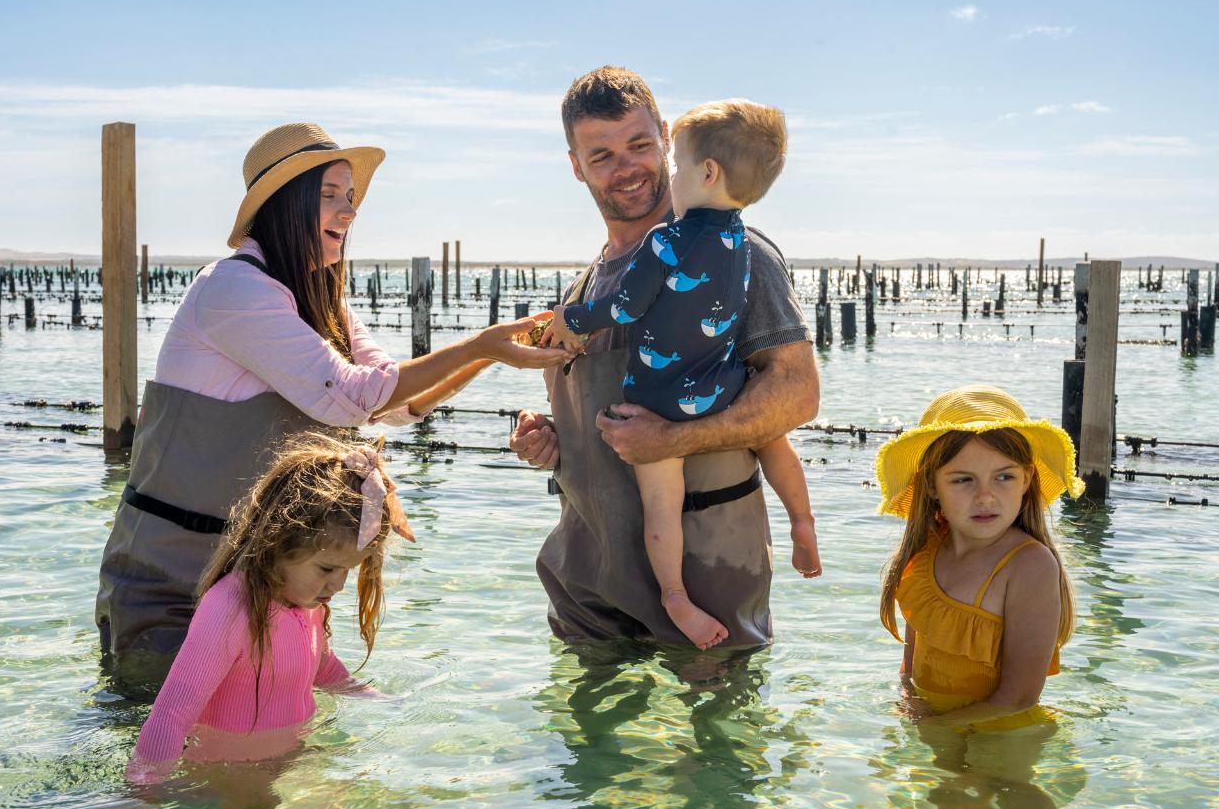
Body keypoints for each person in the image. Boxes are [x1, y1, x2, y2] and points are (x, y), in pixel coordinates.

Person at [98, 122, 565, 691]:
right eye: (329, 195)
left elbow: (397, 401)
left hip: (270, 585)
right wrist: (477, 344)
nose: (348, 213)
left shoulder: (323, 299)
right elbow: (350, 398)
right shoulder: (232, 289)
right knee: (167, 757)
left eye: (351, 199)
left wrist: (493, 354)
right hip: (176, 581)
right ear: (282, 205)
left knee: (275, 751)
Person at [511, 67, 820, 648]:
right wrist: (553, 439)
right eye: (600, 155)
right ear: (576, 166)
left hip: (709, 572)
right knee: (586, 739)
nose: (625, 168)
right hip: (589, 580)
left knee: (720, 735)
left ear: (667, 137)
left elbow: (797, 394)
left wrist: (673, 441)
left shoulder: (737, 254)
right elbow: (607, 410)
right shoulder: (584, 288)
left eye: (638, 145)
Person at [126, 435, 407, 785]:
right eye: (327, 569)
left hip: (293, 758)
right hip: (228, 777)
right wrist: (143, 789)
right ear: (279, 544)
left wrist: (369, 696)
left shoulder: (307, 602)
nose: (338, 585)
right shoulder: (230, 610)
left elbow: (320, 665)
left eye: (348, 570)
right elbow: (172, 713)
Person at [876, 384, 1084, 732]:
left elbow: (1019, 698)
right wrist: (909, 709)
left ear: (1026, 479)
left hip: (1002, 738)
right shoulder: (927, 550)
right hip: (936, 729)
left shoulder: (1028, 566)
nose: (985, 496)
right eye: (962, 480)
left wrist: (940, 728)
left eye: (1004, 476)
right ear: (931, 485)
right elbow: (910, 664)